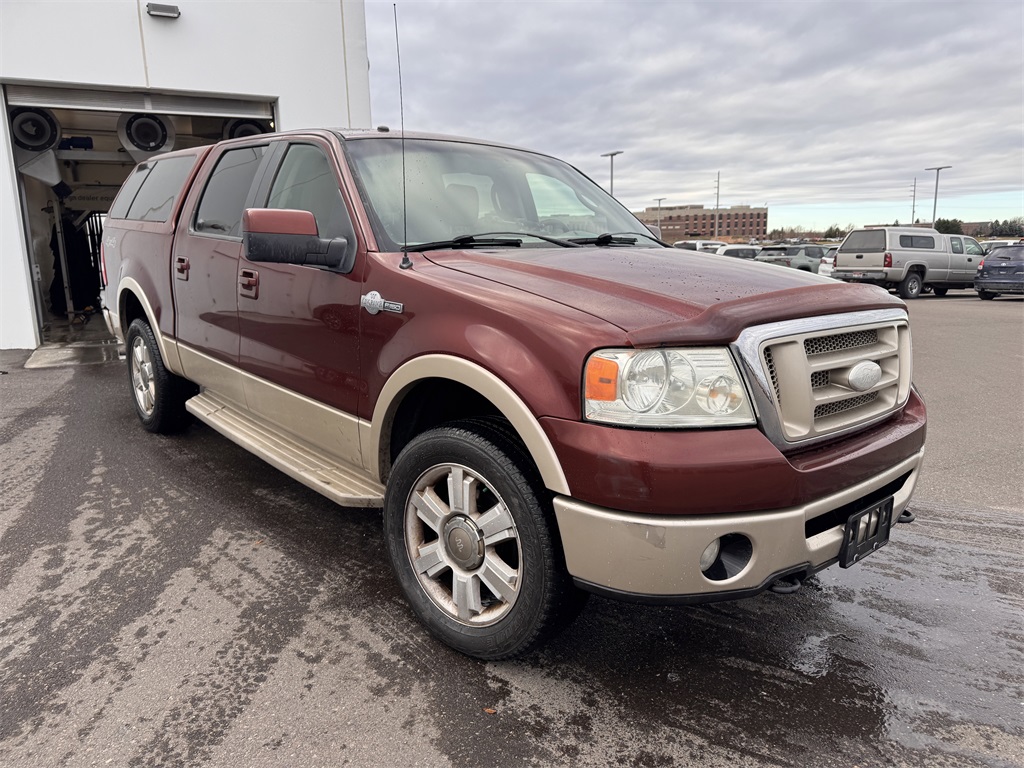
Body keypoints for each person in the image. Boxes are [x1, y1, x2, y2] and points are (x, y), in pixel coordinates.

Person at [49, 210, 100, 316]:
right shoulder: (73, 229)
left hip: (69, 263)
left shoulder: (65, 229)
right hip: (77, 263)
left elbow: (54, 246)